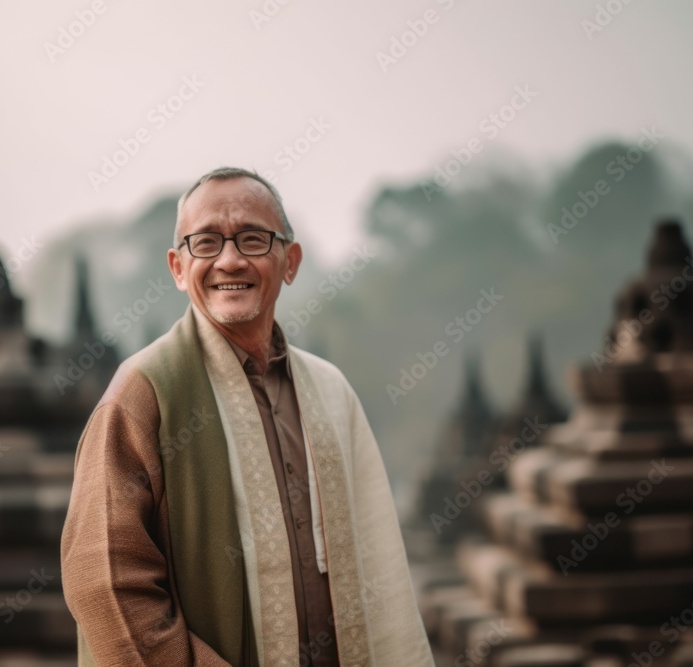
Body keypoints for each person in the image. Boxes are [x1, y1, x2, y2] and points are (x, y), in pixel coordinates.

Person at [61, 167, 434, 666]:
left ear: (290, 261)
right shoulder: (144, 393)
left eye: (253, 239)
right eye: (206, 243)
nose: (230, 260)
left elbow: (378, 560)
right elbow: (105, 581)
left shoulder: (329, 392)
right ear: (178, 268)